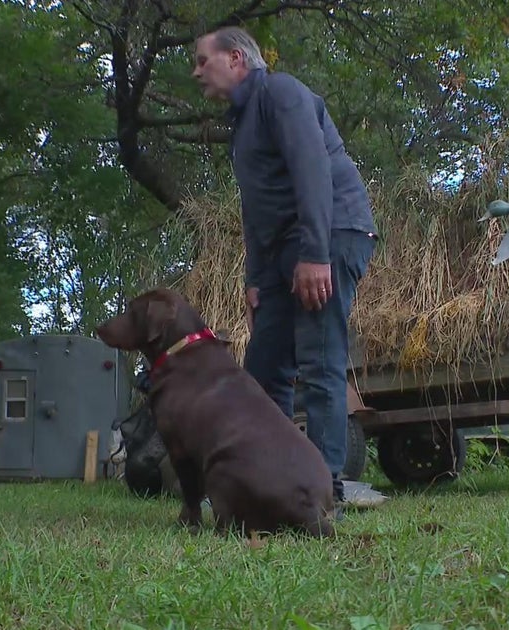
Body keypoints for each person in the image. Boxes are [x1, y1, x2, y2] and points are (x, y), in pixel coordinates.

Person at [192, 26, 378, 506]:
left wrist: (316, 254)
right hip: (284, 251)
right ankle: (267, 481)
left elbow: (312, 168)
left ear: (236, 58)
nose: (196, 72)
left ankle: (323, 490)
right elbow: (255, 207)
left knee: (319, 358)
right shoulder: (242, 125)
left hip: (331, 234)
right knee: (264, 367)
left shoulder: (280, 93)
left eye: (202, 61)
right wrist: (256, 280)